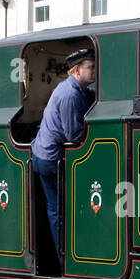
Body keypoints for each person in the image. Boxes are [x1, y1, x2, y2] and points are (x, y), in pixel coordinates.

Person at [30, 47, 97, 267]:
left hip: (44, 153)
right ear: (76, 70)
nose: (94, 72)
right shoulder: (69, 94)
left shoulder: (72, 88)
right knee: (59, 209)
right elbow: (74, 135)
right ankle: (64, 257)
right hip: (50, 159)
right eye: (91, 68)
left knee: (57, 207)